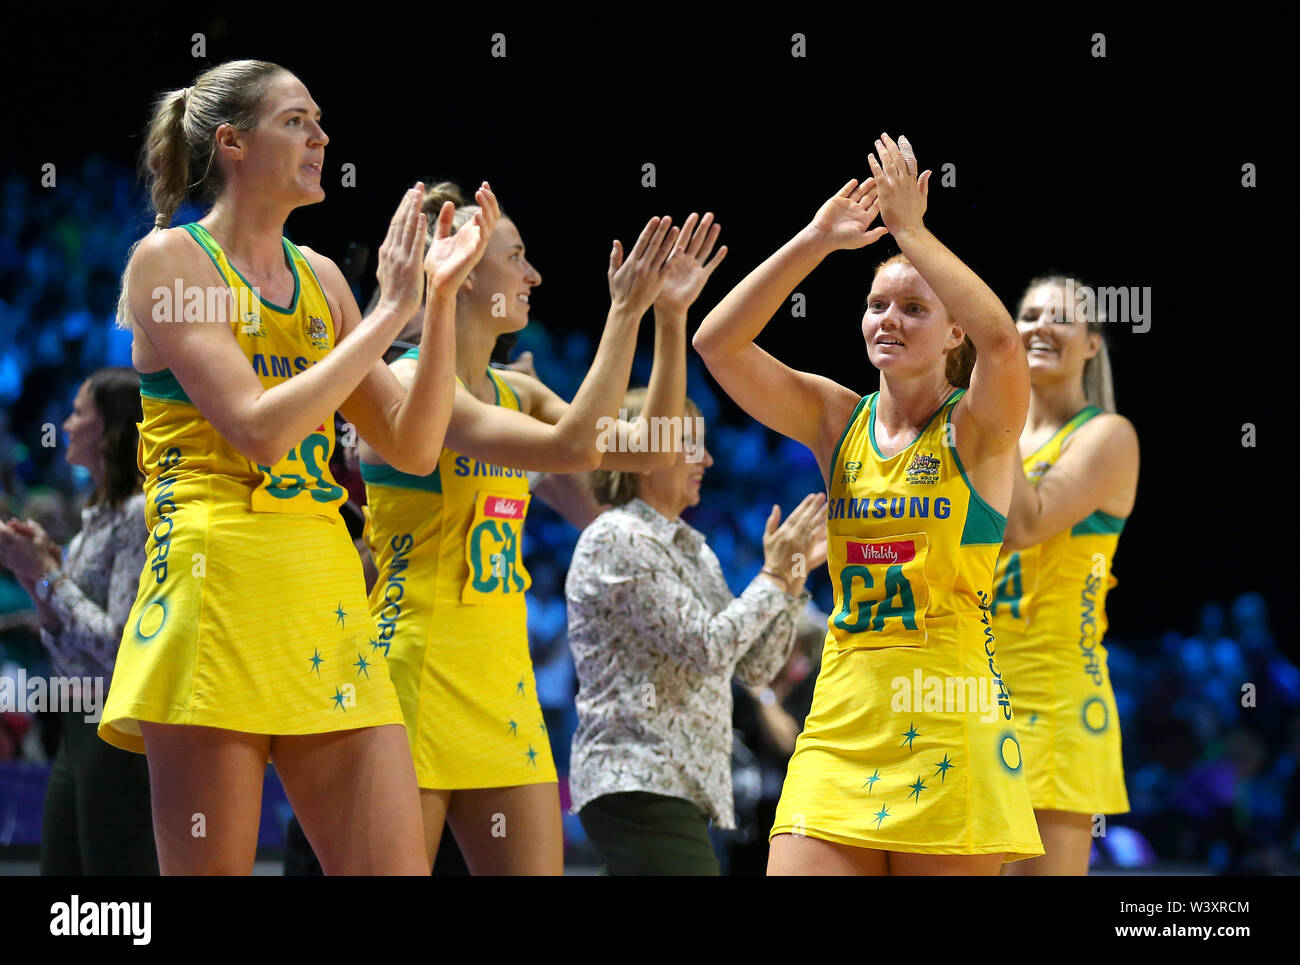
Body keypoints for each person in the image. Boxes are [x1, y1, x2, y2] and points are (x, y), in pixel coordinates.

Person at [98, 59, 494, 874]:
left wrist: (439, 299)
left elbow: (411, 447)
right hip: (216, 588)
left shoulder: (320, 281)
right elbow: (257, 430)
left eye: (319, 121)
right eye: (296, 121)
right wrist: (386, 311)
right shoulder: (171, 261)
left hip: (325, 595)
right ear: (232, 143)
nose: (321, 137)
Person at [694, 134, 1042, 874]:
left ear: (954, 334)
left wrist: (913, 231)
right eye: (876, 304)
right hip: (842, 720)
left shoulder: (978, 428)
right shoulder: (834, 418)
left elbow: (1005, 345)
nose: (888, 318)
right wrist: (817, 241)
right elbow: (717, 342)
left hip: (952, 718)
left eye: (914, 308)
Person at [358, 181, 721, 873]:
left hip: (503, 677)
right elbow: (574, 449)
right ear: (460, 275)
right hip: (414, 669)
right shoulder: (407, 383)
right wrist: (623, 312)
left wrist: (668, 319)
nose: (534, 274)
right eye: (516, 256)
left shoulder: (515, 390)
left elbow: (650, 448)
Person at [566, 386, 825, 874]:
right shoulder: (619, 537)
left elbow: (751, 666)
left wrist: (791, 584)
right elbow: (709, 648)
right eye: (689, 445)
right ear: (640, 454)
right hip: (639, 779)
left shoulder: (693, 548)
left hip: (674, 786)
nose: (706, 458)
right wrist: (771, 578)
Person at [991, 275, 1138, 876]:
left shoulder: (1108, 435)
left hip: (1052, 700)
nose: (1039, 327)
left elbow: (1028, 525)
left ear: (1092, 344)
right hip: (967, 691)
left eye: (1061, 317)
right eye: (1028, 314)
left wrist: (992, 416)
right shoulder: (992, 436)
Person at [0, 369, 159, 874]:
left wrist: (48, 574)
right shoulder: (96, 516)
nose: (64, 426)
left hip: (115, 729)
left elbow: (119, 644)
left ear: (111, 430)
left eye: (78, 414)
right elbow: (68, 639)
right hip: (75, 722)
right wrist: (33, 574)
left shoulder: (139, 514)